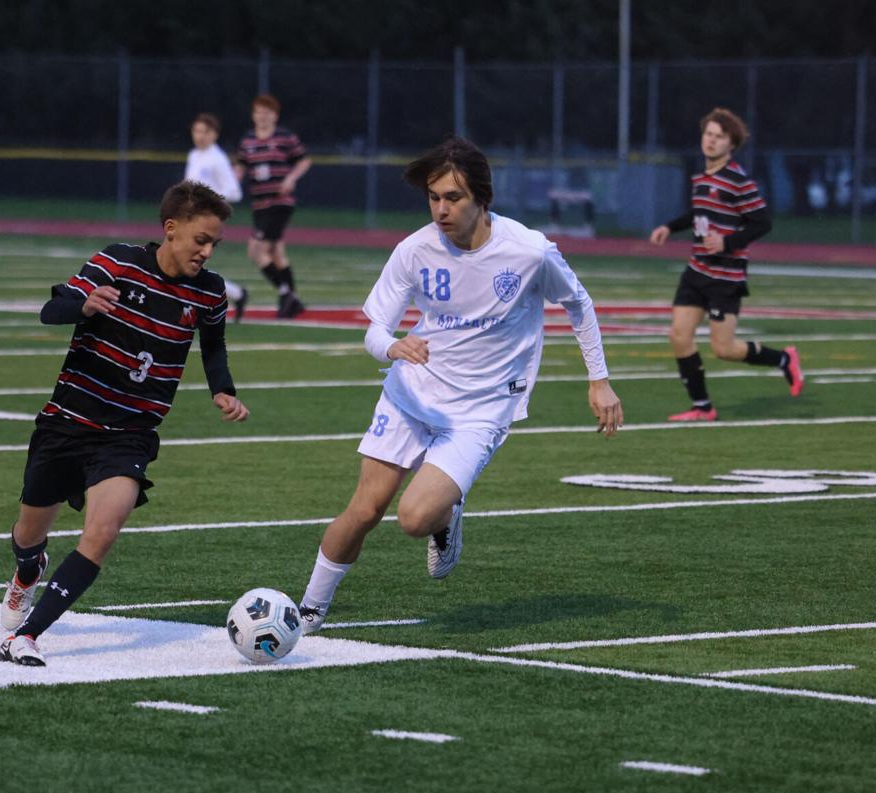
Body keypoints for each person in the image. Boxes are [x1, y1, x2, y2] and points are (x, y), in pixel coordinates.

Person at [296, 136, 623, 632]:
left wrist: (599, 380)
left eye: (454, 198)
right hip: (412, 393)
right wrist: (393, 347)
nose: (441, 210)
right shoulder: (414, 250)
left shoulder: (529, 251)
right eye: (434, 197)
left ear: (482, 199)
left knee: (413, 519)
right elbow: (375, 331)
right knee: (364, 509)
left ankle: (446, 516)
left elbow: (579, 303)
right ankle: (308, 611)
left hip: (481, 409)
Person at [0, 181, 249, 667]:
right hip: (69, 419)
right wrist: (85, 305)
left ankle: (26, 636)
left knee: (104, 530)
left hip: (131, 431)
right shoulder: (116, 262)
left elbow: (213, 345)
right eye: (201, 239)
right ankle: (28, 570)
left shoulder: (210, 291)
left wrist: (223, 389)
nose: (208, 250)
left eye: (215, 243)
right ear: (171, 229)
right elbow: (52, 309)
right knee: (29, 534)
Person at [649, 107, 802, 422]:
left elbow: (762, 223)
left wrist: (727, 243)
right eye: (709, 134)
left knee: (725, 349)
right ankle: (703, 407)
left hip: (725, 278)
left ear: (731, 144)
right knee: (679, 336)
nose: (712, 141)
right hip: (696, 271)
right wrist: (669, 227)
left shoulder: (738, 181)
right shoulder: (701, 177)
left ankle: (784, 360)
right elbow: (698, 213)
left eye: (720, 137)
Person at [234, 94, 312, 318]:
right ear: (253, 115)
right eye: (258, 112)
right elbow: (240, 167)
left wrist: (291, 178)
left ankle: (286, 292)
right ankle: (292, 301)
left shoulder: (284, 137)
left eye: (267, 113)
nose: (262, 117)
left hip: (279, 202)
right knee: (276, 253)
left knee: (256, 250)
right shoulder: (248, 140)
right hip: (259, 204)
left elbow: (304, 160)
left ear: (275, 116)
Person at [184, 113, 249, 322]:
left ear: (214, 134)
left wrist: (209, 202)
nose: (200, 136)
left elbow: (235, 192)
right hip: (190, 219)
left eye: (204, 132)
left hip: (207, 220)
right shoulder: (194, 155)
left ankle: (191, 310)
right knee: (188, 264)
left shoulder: (217, 159)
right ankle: (237, 294)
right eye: (196, 131)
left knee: (186, 262)